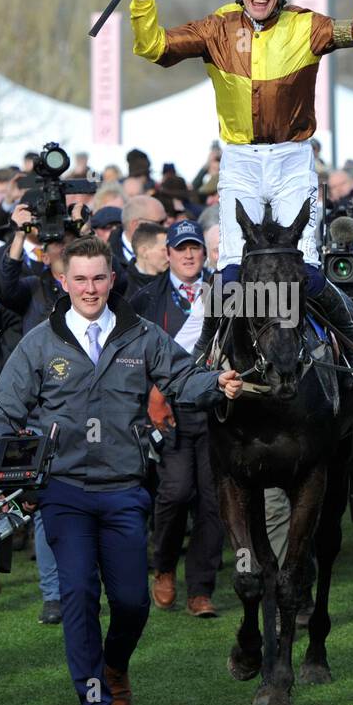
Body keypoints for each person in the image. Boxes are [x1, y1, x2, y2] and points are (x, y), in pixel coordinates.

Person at [0, 237, 242, 705]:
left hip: (125, 489)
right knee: (79, 595)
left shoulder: (140, 335)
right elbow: (4, 416)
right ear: (63, 282)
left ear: (112, 279)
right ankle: (94, 703)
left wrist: (219, 384)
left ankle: (115, 665)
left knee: (131, 602)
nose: (90, 288)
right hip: (64, 492)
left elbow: (182, 377)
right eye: (79, 279)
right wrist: (16, 482)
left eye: (98, 278)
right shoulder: (39, 342)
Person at [128, 0, 353, 366]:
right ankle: (202, 359)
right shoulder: (215, 28)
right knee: (231, 273)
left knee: (303, 270)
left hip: (292, 159)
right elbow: (152, 47)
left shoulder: (307, 25)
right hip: (241, 162)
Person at [129, 221, 223, 617]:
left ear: (204, 253)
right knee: (176, 493)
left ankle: (201, 588)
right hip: (168, 411)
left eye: (195, 248)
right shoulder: (145, 298)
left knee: (213, 501)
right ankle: (164, 566)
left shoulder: (225, 294)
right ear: (167, 253)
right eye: (181, 248)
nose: (188, 255)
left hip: (217, 408)